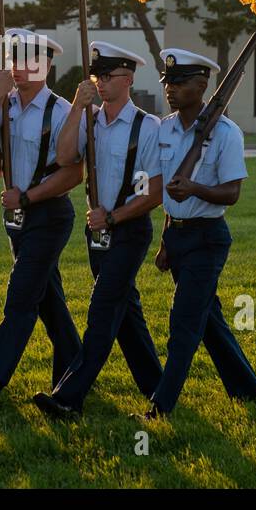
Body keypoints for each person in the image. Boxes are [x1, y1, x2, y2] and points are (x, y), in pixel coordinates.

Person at [0, 28, 82, 409]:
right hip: (19, 218)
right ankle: (75, 374)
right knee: (48, 301)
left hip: (49, 213)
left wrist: (27, 196)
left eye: (29, 61)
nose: (20, 68)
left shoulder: (60, 111)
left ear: (46, 66)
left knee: (21, 297)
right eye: (14, 60)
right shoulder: (4, 106)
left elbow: (73, 173)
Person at [33, 41, 164, 418]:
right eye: (97, 76)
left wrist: (114, 218)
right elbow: (63, 157)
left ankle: (68, 397)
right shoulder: (89, 120)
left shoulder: (147, 127)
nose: (101, 83)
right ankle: (159, 388)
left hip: (129, 230)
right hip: (98, 232)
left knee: (103, 310)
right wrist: (76, 106)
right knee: (125, 315)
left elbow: (153, 192)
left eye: (108, 76)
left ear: (128, 78)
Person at [142, 48, 256, 419]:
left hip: (208, 238)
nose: (170, 89)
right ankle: (247, 388)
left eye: (179, 83)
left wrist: (194, 189)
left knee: (183, 323)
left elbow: (232, 193)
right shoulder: (164, 128)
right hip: (177, 236)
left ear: (202, 84)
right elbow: (165, 191)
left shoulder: (227, 133)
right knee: (207, 317)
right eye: (167, 82)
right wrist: (165, 238)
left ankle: (161, 407)